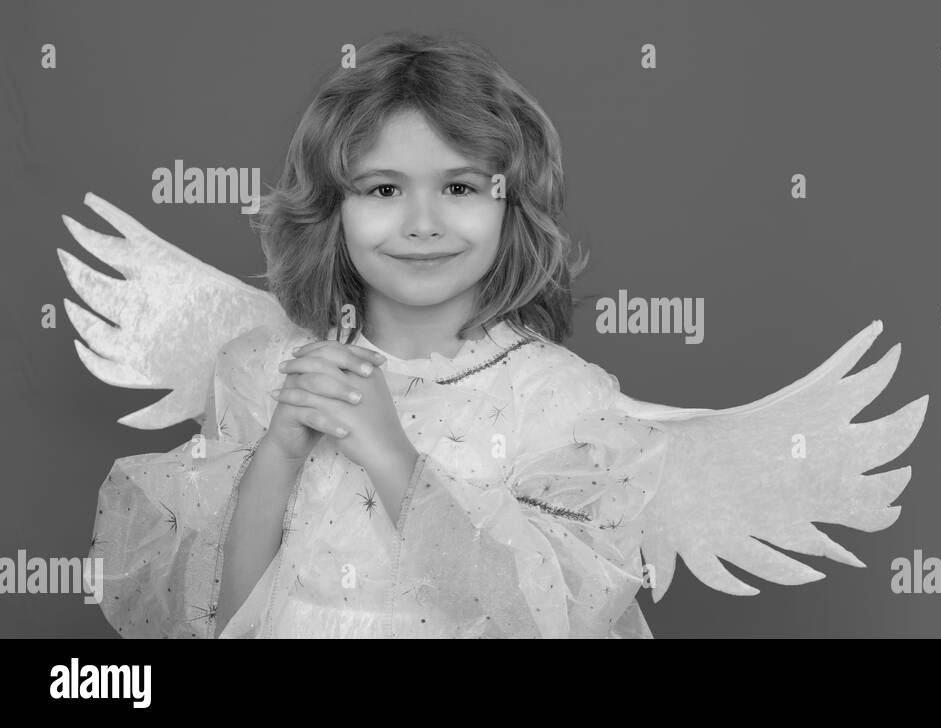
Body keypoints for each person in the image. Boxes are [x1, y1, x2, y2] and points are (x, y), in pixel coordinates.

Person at [90, 31, 668, 638]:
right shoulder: (264, 372)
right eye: (384, 190)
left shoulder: (561, 403)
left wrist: (393, 455)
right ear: (331, 208)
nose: (422, 224)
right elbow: (226, 619)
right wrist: (279, 453)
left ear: (510, 204)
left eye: (460, 188)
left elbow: (535, 619)